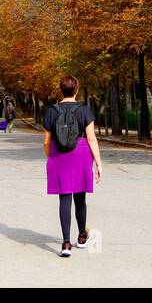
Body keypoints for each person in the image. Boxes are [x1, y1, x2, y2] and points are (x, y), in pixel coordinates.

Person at [44, 75, 103, 258]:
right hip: (81, 154)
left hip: (59, 155)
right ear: (76, 89)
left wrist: (50, 156)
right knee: (80, 197)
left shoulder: (52, 111)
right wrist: (99, 163)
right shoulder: (84, 110)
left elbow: (46, 141)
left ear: (61, 89)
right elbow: (91, 138)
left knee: (64, 198)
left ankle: (66, 243)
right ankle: (82, 237)